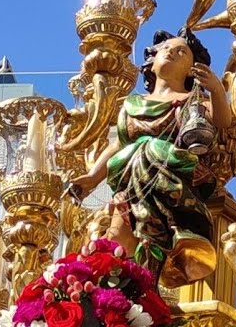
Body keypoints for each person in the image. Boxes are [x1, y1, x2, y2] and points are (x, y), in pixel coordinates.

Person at [72, 28, 227, 288]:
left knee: (149, 151)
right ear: (151, 61)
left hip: (174, 181)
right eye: (166, 48)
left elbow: (223, 122)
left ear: (192, 69)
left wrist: (217, 91)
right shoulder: (132, 105)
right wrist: (91, 178)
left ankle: (148, 282)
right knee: (120, 232)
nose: (172, 52)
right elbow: (119, 146)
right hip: (133, 180)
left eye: (182, 51)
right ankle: (122, 287)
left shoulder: (193, 101)